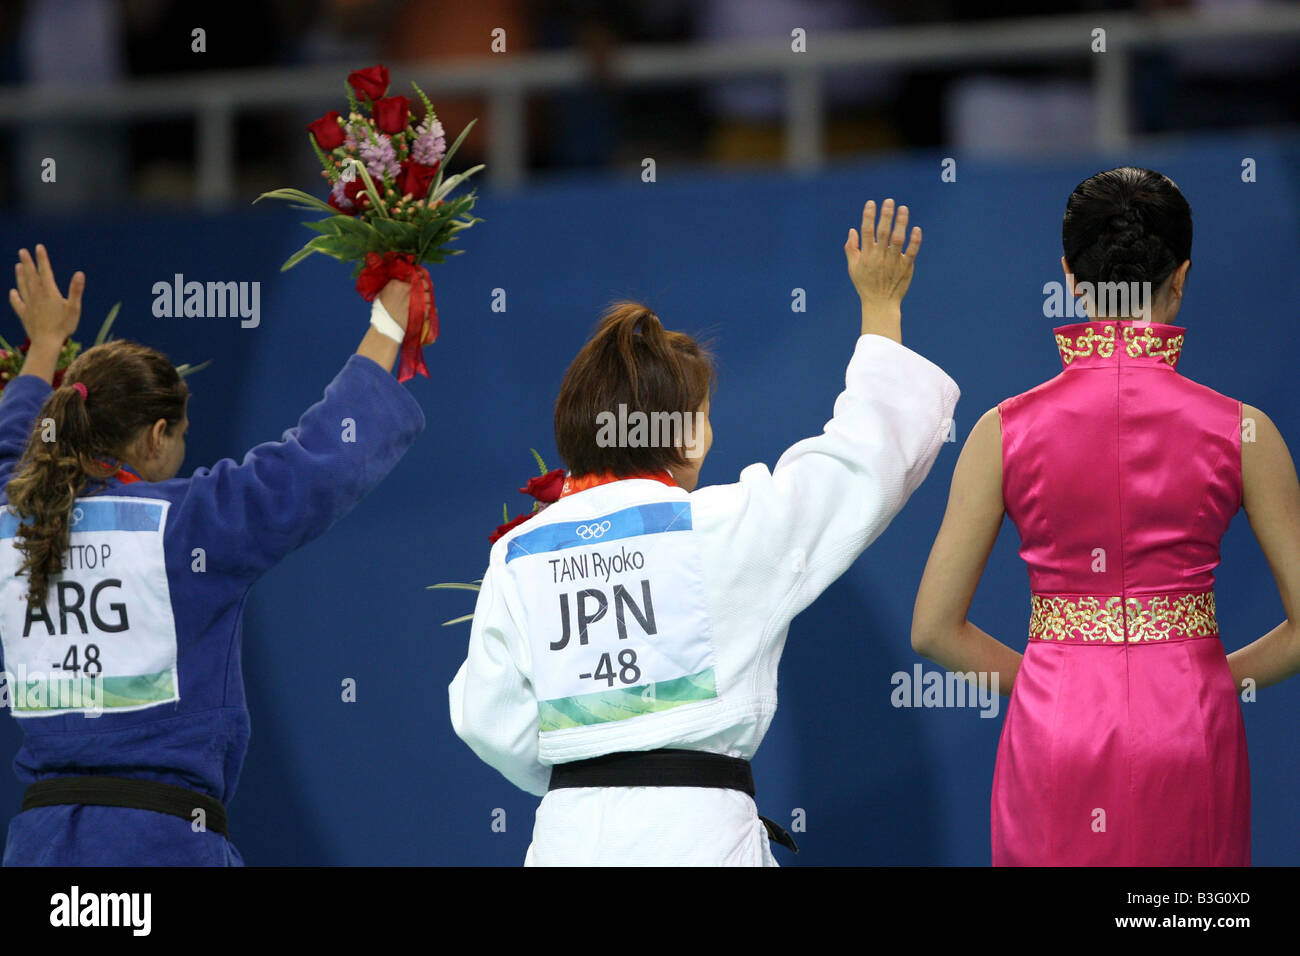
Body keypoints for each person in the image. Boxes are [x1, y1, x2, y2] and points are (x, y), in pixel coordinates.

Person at [450, 199, 959, 865]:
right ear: (684, 434)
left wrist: (591, 768)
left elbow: (486, 719)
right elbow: (864, 462)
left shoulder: (521, 555)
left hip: (569, 839)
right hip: (698, 840)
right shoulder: (721, 526)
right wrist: (881, 308)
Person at [911, 167, 1300, 866]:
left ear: (1069, 276)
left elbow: (935, 633)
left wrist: (1055, 673)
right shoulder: (1246, 433)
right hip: (1190, 725)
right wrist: (1206, 670)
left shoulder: (1002, 432)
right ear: (1181, 278)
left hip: (1054, 723)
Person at [0, 245, 426, 865]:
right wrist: (389, 322)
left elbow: (14, 450)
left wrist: (43, 345)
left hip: (42, 851)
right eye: (181, 437)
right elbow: (312, 468)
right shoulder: (185, 527)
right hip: (160, 848)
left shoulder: (15, 524)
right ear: (154, 437)